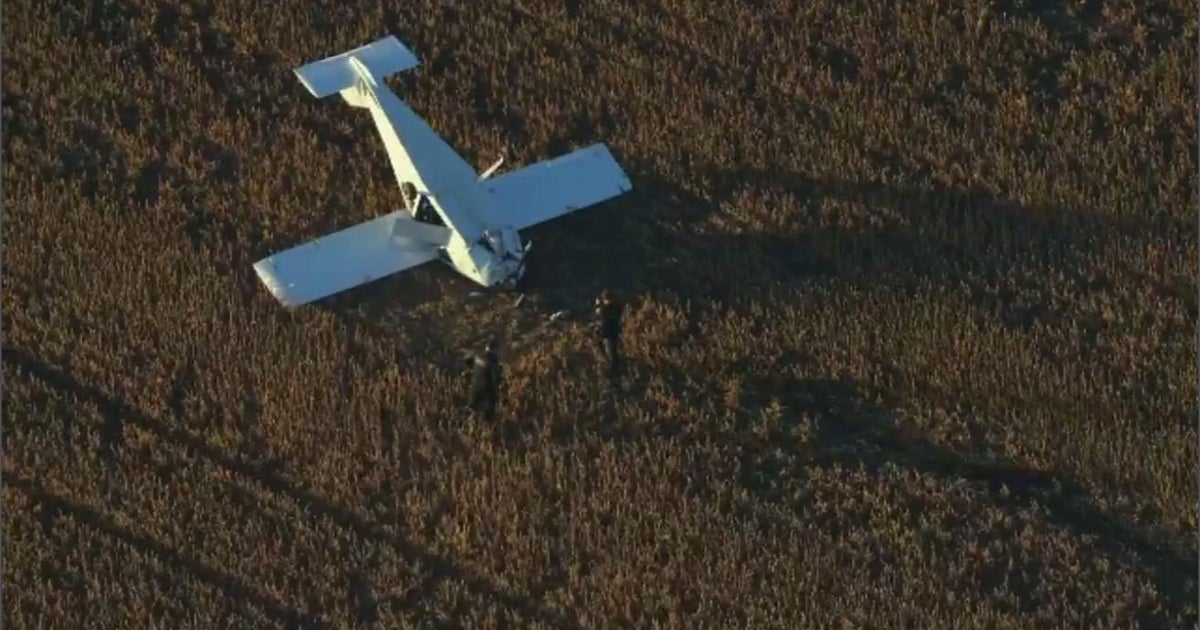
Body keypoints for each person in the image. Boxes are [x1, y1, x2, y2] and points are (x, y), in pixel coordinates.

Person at [466, 339, 502, 421]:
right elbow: (495, 381)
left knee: (473, 417)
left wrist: (474, 370)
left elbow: (467, 359)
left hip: (474, 395)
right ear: (496, 349)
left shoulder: (477, 356)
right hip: (487, 398)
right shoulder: (494, 363)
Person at [593, 290, 624, 378]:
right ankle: (610, 366)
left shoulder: (608, 309)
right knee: (608, 351)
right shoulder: (610, 308)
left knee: (612, 352)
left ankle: (612, 369)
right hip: (607, 333)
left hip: (610, 333)